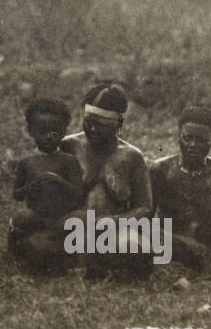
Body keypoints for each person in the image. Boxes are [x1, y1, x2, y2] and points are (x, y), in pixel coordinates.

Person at [61, 83, 153, 277]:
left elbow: (144, 208)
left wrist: (112, 222)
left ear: (118, 124)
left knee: (136, 248)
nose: (92, 129)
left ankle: (90, 265)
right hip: (70, 229)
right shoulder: (69, 146)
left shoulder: (132, 157)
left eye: (101, 125)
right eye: (88, 121)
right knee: (35, 244)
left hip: (113, 232)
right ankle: (91, 264)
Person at [149, 106, 211, 271]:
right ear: (178, 136)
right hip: (169, 239)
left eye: (201, 141)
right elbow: (147, 217)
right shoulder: (161, 169)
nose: (193, 145)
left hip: (207, 242)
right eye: (187, 138)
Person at [7, 97, 85, 272]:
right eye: (42, 131)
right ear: (30, 131)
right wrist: (31, 187)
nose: (49, 137)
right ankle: (13, 253)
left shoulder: (69, 161)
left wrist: (60, 182)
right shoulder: (27, 162)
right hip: (38, 217)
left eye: (55, 132)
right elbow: (17, 195)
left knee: (80, 217)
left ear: (64, 132)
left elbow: (79, 194)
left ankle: (80, 263)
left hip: (62, 218)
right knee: (22, 216)